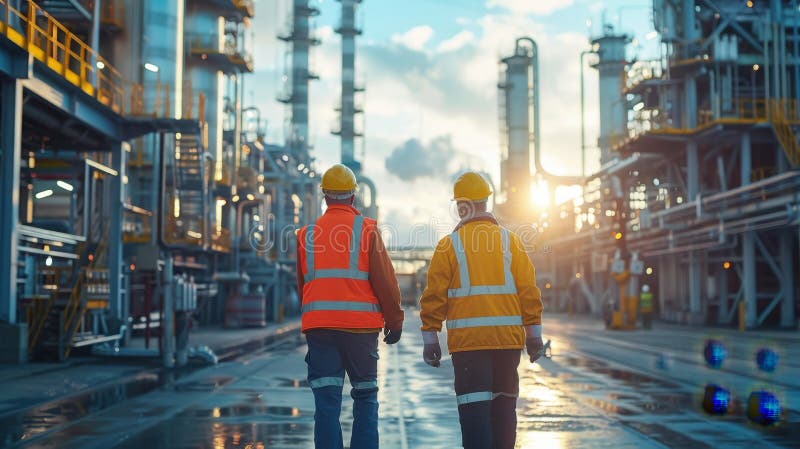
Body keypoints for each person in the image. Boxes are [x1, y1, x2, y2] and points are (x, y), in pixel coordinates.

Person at [419, 171, 544, 449]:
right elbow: (529, 291)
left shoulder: (448, 246)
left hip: (469, 347)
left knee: (475, 417)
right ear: (486, 202)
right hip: (508, 343)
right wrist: (534, 336)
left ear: (462, 205)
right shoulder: (511, 241)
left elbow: (434, 297)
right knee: (503, 414)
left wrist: (430, 340)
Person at [297, 164, 404, 449]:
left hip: (320, 331)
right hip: (360, 331)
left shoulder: (306, 235)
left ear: (324, 197)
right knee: (366, 397)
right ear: (353, 197)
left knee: (327, 403)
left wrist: (314, 318)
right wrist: (394, 322)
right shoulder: (366, 229)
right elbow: (385, 281)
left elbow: (304, 286)